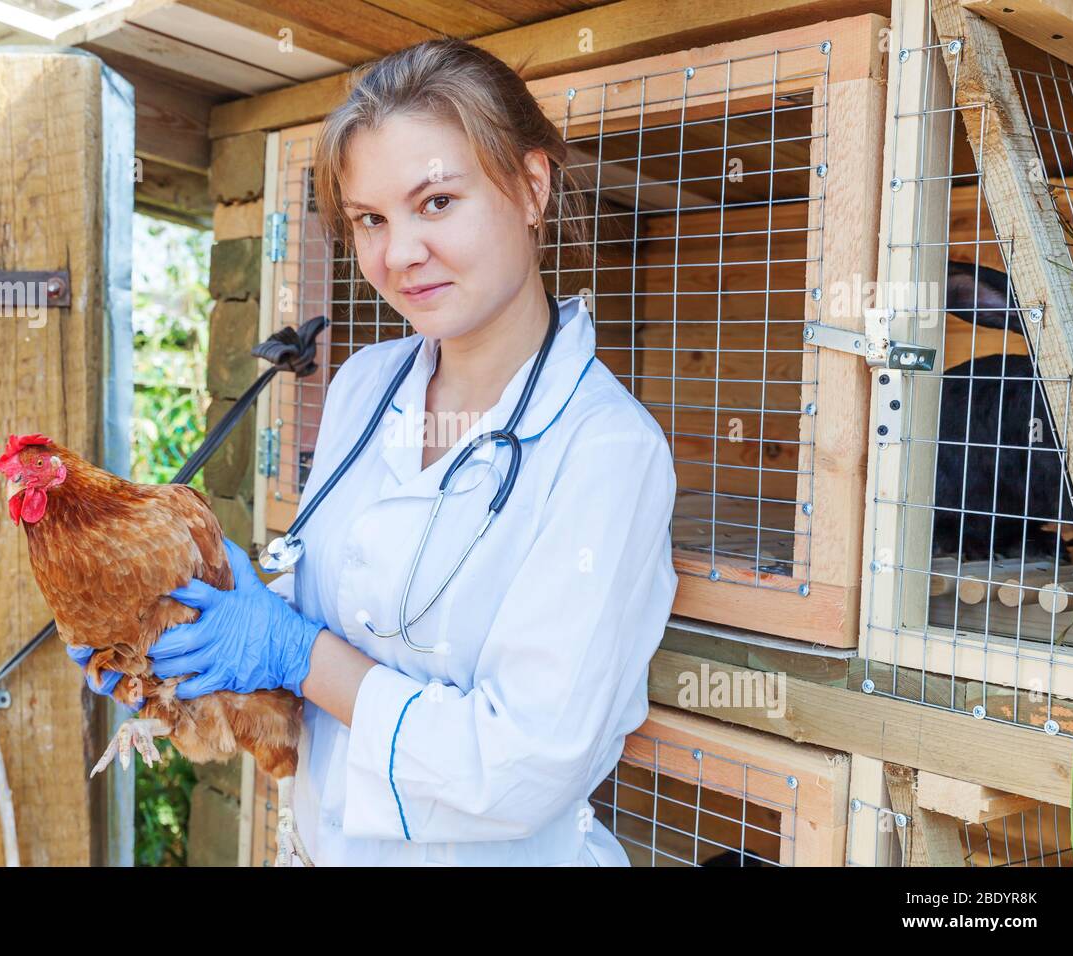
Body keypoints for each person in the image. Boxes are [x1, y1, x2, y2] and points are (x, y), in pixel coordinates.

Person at [74, 37, 678, 866]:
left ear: (532, 187)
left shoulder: (606, 451)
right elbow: (335, 593)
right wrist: (180, 629)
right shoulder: (365, 385)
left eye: (435, 203)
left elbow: (525, 763)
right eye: (370, 219)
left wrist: (290, 649)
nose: (398, 256)